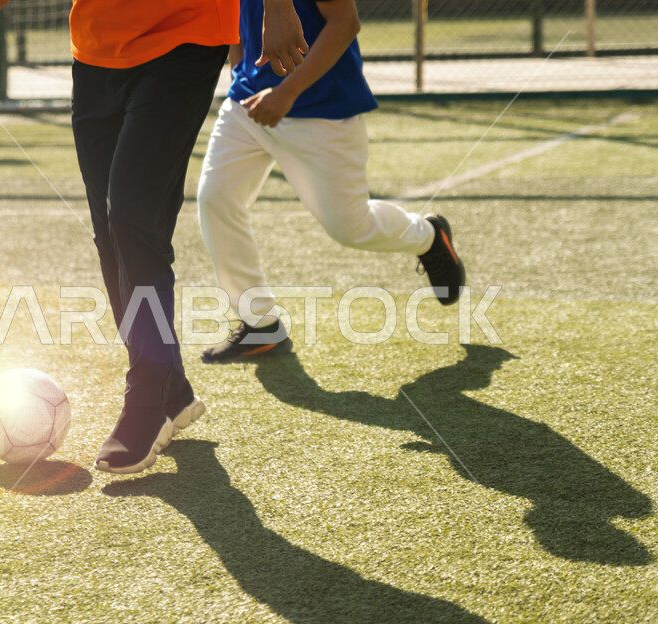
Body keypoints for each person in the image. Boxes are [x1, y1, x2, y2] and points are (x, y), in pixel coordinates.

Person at [0, 0, 308, 474]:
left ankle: (147, 398)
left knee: (132, 219)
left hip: (186, 36)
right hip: (96, 52)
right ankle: (172, 388)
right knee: (110, 234)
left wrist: (278, 7)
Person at [196, 0, 466, 363]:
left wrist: (286, 93)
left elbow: (345, 22)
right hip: (247, 105)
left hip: (323, 110)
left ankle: (429, 237)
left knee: (350, 227)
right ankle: (259, 323)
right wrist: (240, 72)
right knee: (216, 199)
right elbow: (233, 18)